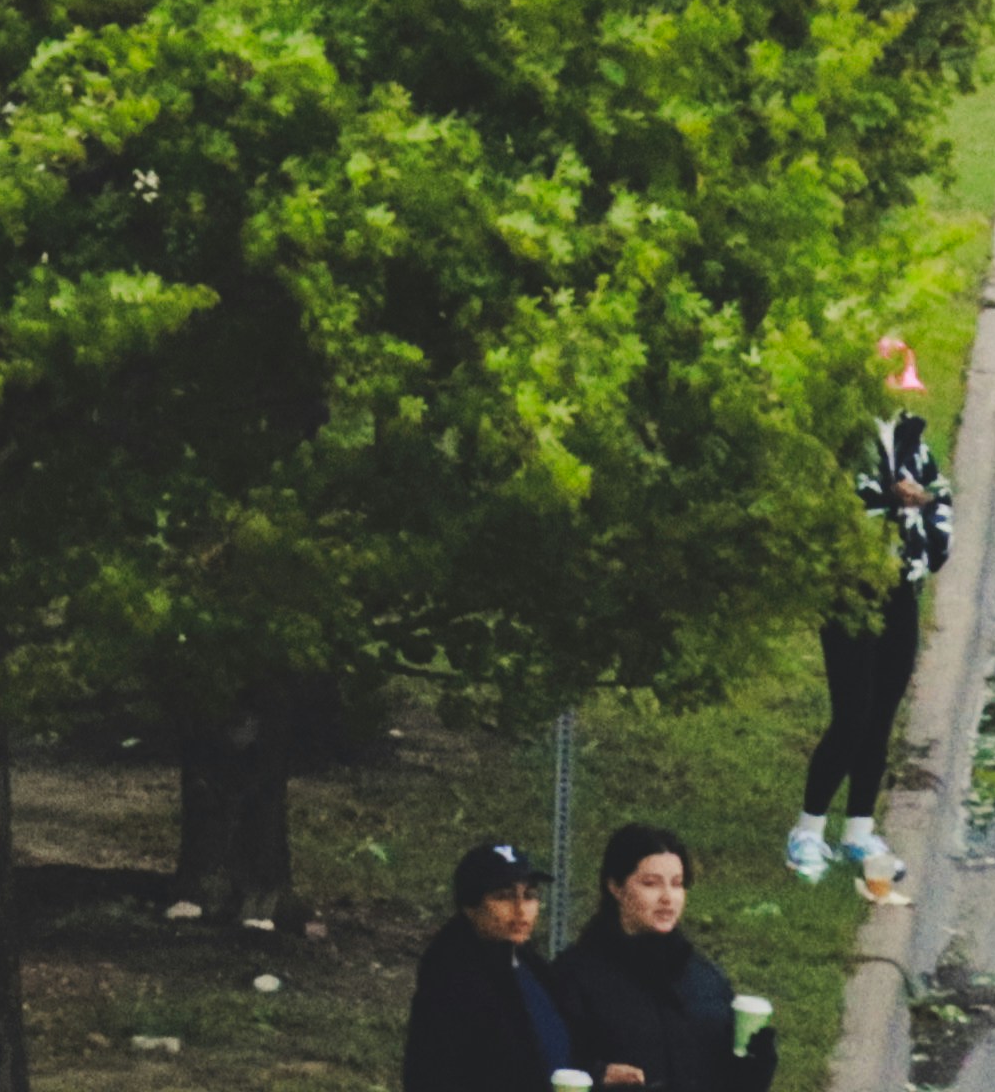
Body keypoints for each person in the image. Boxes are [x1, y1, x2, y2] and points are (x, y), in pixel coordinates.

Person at [802, 334, 951, 891]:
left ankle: (859, 825)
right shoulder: (847, 443)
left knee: (884, 710)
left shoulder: (913, 439)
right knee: (853, 711)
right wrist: (896, 503)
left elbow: (942, 501)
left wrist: (925, 508)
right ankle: (809, 826)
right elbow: (838, 511)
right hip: (851, 592)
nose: (899, 397)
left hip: (899, 591)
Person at [559, 821, 773, 1092]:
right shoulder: (576, 976)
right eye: (650, 884)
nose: (667, 897)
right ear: (615, 886)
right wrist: (598, 1075)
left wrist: (755, 1068)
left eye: (677, 884)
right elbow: (549, 1066)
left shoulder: (706, 979)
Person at [404, 834, 594, 1092]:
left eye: (529, 895)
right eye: (504, 896)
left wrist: (598, 1071)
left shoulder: (529, 964)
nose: (520, 909)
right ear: (470, 907)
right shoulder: (452, 980)